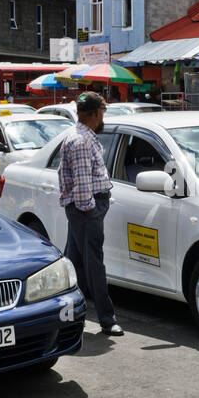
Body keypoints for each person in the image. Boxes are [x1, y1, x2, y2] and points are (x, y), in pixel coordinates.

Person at [59, 92, 122, 336]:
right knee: (94, 264)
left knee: (73, 263)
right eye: (102, 112)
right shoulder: (82, 141)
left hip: (83, 209)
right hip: (86, 209)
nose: (103, 117)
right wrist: (91, 211)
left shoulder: (80, 137)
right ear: (95, 114)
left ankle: (69, 315)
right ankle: (107, 319)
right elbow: (84, 185)